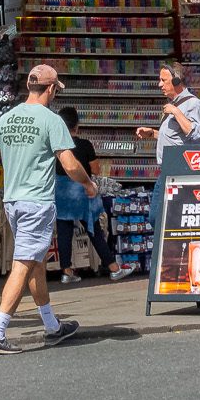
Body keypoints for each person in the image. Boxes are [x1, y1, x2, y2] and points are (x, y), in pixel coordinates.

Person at [0, 65, 93, 356]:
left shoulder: (6, 119)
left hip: (13, 202)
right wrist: (89, 184)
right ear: (51, 89)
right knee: (24, 263)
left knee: (35, 263)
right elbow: (69, 164)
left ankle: (52, 326)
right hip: (37, 203)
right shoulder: (51, 120)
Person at [53, 105, 127, 283]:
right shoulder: (85, 145)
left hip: (61, 193)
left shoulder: (54, 146)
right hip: (82, 191)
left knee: (64, 232)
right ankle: (113, 268)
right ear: (76, 126)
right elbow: (95, 169)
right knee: (94, 230)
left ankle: (67, 272)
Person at [135, 63, 200, 169]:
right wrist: (152, 133)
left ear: (176, 81)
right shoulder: (173, 104)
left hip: (181, 169)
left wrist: (176, 112)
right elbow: (176, 137)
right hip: (167, 167)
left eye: (163, 80)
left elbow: (195, 134)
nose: (160, 84)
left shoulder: (193, 103)